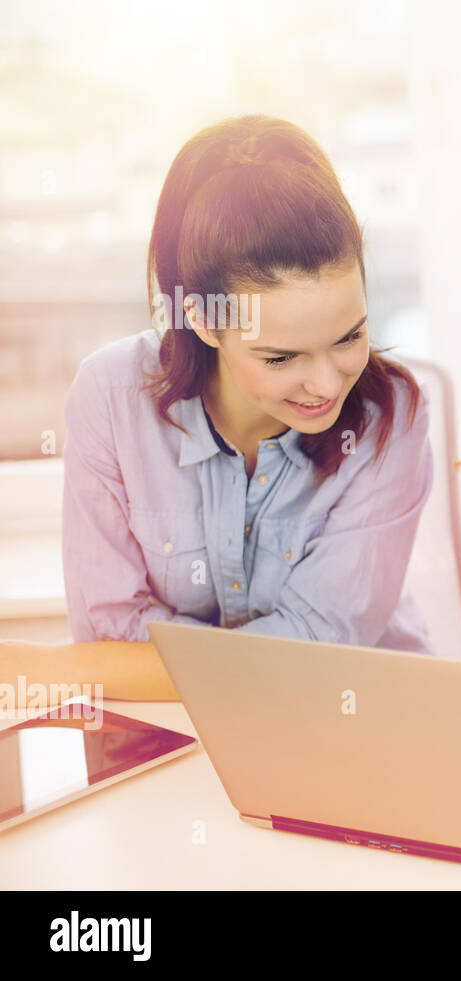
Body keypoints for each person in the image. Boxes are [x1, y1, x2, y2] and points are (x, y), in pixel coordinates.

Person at [11, 115, 434, 700]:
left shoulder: (393, 416)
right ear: (204, 321)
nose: (325, 384)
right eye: (281, 358)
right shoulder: (109, 399)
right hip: (168, 743)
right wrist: (263, 659)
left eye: (348, 337)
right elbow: (109, 632)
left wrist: (65, 669)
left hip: (355, 727)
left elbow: (321, 651)